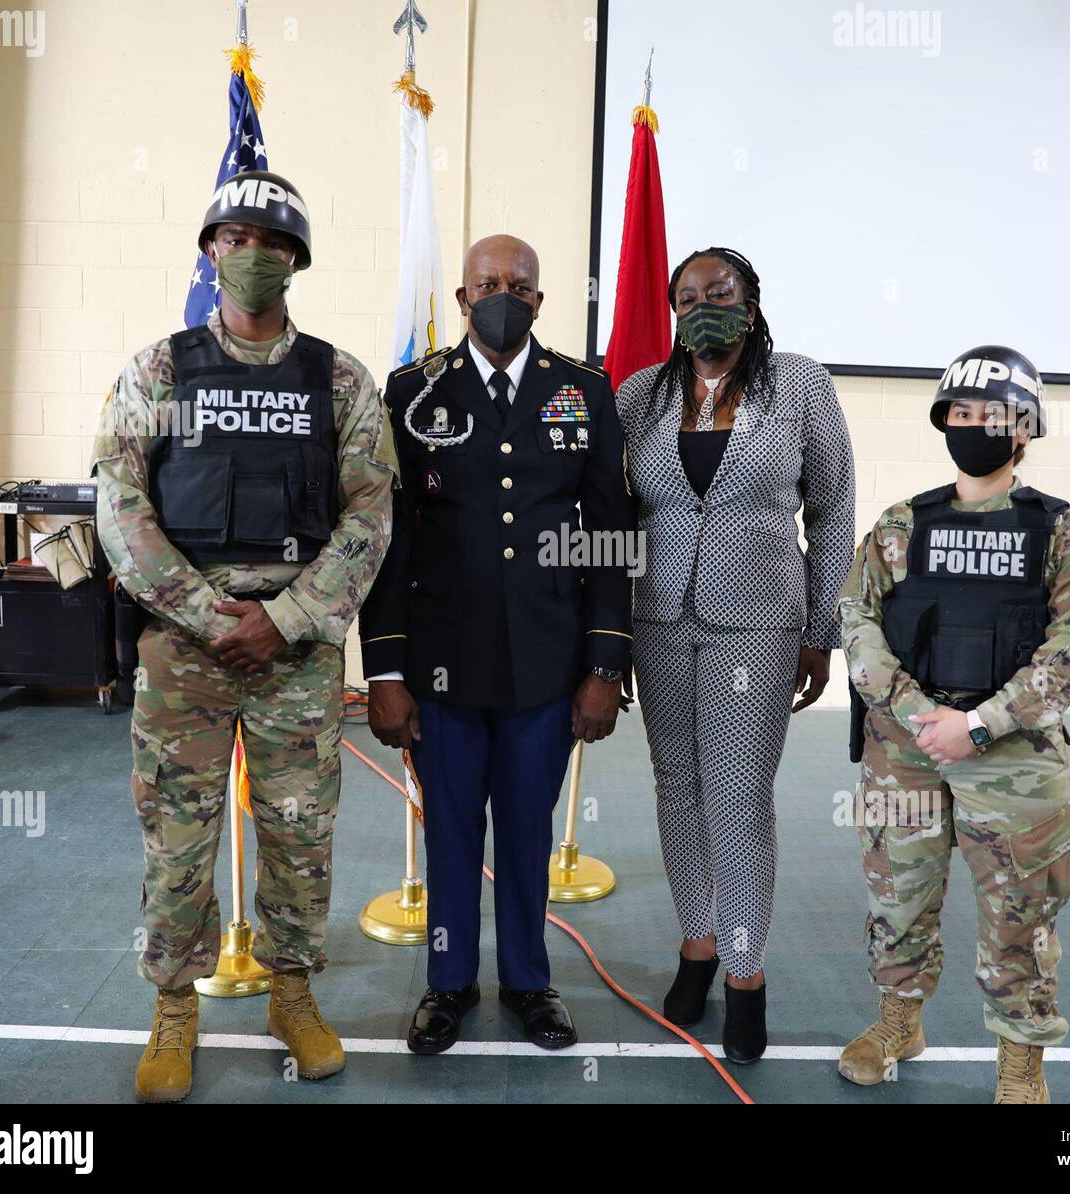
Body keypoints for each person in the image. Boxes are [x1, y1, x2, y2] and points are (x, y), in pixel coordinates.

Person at [92, 170, 396, 1102]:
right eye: (232, 236)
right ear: (208, 249)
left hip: (296, 652)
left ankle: (291, 993)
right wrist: (203, 611)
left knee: (301, 836)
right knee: (177, 840)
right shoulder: (158, 371)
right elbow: (119, 506)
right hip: (185, 648)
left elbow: (370, 516)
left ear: (296, 259)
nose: (250, 253)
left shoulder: (339, 381)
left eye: (269, 241)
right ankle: (174, 1007)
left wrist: (288, 619)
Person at [360, 234, 633, 1055]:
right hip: (442, 663)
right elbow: (388, 539)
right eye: (486, 283)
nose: (501, 295)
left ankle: (526, 980)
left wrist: (603, 665)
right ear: (461, 298)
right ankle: (447, 985)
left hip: (547, 662)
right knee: (449, 829)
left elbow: (611, 535)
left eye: (518, 284)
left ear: (541, 301)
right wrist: (386, 669)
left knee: (525, 828)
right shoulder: (414, 392)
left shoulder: (583, 391)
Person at [836, 344, 1070, 1103]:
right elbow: (857, 618)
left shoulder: (1062, 533)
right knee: (897, 895)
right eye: (960, 413)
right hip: (907, 747)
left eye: (988, 415)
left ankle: (1022, 1060)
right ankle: (899, 1019)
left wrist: (982, 725)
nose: (972, 426)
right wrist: (914, 709)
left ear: (1022, 430)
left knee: (1020, 913)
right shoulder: (901, 524)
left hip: (1013, 756)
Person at [615, 247, 856, 1063]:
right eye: (687, 297)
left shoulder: (801, 386)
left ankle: (746, 973)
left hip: (756, 625)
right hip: (658, 619)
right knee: (677, 787)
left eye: (718, 293)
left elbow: (830, 513)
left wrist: (821, 627)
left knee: (739, 798)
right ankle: (699, 944)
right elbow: (610, 513)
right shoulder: (639, 395)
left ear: (751, 302)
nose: (701, 307)